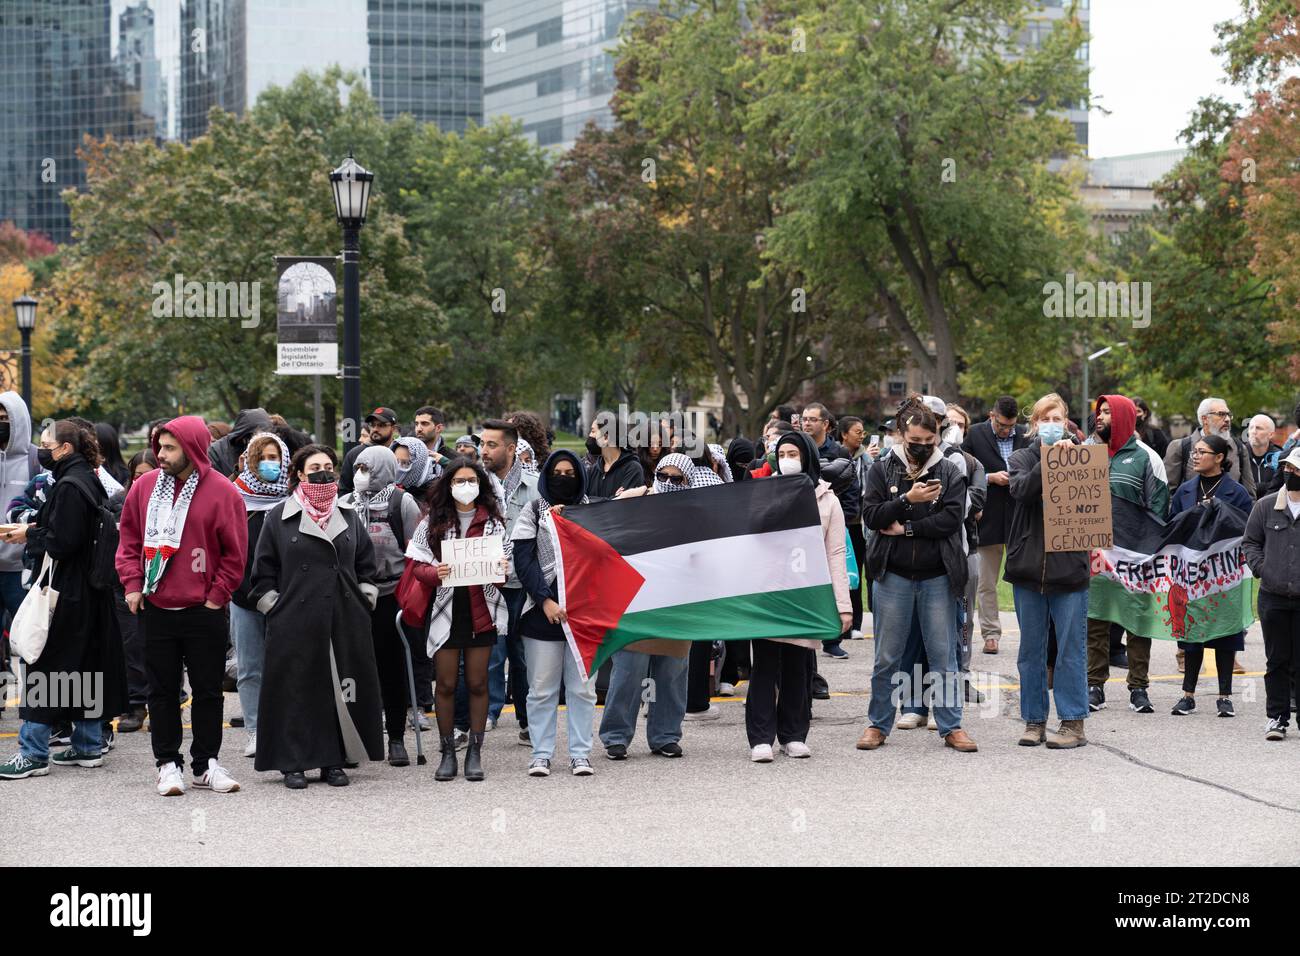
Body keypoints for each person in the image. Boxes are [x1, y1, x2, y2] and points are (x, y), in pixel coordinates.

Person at [115, 416, 247, 796]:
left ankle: (206, 765)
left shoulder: (223, 492)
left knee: (207, 691)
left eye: (170, 448)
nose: (161, 454)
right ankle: (167, 764)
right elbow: (128, 542)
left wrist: (215, 597)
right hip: (155, 607)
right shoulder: (143, 488)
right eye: (159, 446)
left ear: (191, 449)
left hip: (203, 611)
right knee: (162, 691)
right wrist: (133, 586)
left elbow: (234, 554)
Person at [249, 444, 384, 789]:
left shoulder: (349, 516)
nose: (322, 473)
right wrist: (275, 607)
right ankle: (291, 762)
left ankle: (332, 760)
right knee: (294, 690)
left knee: (337, 689)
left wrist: (363, 599)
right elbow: (263, 572)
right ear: (298, 474)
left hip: (342, 617)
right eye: (314, 467)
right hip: (293, 619)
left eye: (328, 466)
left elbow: (367, 567)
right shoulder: (278, 517)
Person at [0, 421, 128, 780]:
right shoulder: (87, 477)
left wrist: (29, 533)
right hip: (88, 591)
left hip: (65, 591)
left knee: (45, 665)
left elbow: (62, 540)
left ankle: (33, 752)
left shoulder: (70, 485)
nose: (41, 450)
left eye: (47, 444)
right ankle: (87, 746)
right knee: (84, 663)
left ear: (65, 448)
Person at [857, 398, 976, 753]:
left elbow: (950, 521)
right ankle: (878, 724)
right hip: (892, 576)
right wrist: (907, 498)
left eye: (930, 440)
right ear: (902, 435)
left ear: (938, 436)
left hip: (937, 575)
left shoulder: (951, 471)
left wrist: (907, 529)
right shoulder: (882, 468)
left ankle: (952, 726)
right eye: (916, 441)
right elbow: (873, 516)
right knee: (887, 656)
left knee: (944, 656)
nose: (923, 447)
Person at [746, 432, 852, 761]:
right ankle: (760, 738)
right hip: (768, 591)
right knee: (764, 665)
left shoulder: (827, 499)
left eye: (794, 452)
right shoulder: (762, 491)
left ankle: (793, 734)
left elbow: (835, 553)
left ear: (806, 455)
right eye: (782, 453)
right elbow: (751, 534)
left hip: (807, 594)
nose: (787, 458)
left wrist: (843, 606)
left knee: (797, 666)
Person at [405, 458, 510, 782]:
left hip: (481, 609)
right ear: (448, 485)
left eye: (471, 480)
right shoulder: (432, 521)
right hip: (445, 609)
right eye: (458, 480)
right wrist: (434, 573)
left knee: (478, 683)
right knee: (447, 683)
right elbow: (415, 565)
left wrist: (503, 570)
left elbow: (505, 569)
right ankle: (448, 750)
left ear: (480, 485)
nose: (465, 486)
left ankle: (475, 752)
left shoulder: (493, 521)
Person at [599, 453, 709, 757]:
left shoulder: (697, 512)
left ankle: (665, 735)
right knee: (628, 671)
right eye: (663, 477)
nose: (669, 484)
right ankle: (616, 736)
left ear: (688, 481)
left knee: (671, 674)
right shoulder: (635, 501)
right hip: (637, 603)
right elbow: (605, 528)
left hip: (677, 604)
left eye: (677, 479)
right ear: (655, 476)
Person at [1003, 394, 1091, 748]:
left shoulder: (1082, 457)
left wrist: (1070, 457)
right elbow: (1021, 491)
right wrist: (1049, 458)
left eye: (1058, 418)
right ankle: (1034, 720)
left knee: (1071, 648)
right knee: (1031, 650)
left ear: (1067, 422)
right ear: (1035, 424)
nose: (1052, 424)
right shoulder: (1021, 457)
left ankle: (1073, 722)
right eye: (1045, 419)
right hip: (1028, 568)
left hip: (1069, 567)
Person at [510, 449, 598, 776]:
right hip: (541, 614)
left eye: (570, 473)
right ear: (547, 476)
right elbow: (524, 559)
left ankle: (580, 754)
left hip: (586, 616)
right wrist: (545, 599)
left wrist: (570, 522)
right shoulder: (534, 511)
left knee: (582, 690)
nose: (563, 479)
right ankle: (541, 754)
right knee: (542, 688)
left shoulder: (594, 512)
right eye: (557, 473)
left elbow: (604, 559)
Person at [1086, 395, 1169, 715]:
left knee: (1137, 623)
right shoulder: (1086, 455)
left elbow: (1159, 509)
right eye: (1098, 412)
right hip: (1095, 557)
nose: (1100, 417)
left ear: (1122, 417)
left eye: (1107, 413)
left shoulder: (1148, 458)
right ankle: (1095, 685)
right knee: (1095, 622)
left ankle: (1139, 687)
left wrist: (1146, 552)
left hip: (1136, 559)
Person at [343, 444, 424, 766]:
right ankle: (358, 737)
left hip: (390, 594)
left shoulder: (401, 503)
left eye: (368, 469)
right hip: (353, 596)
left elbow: (417, 549)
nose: (361, 476)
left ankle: (396, 737)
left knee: (391, 669)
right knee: (356, 669)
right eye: (358, 469)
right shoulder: (344, 503)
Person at [1167, 433, 1254, 717]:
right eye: (1194, 451)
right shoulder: (1184, 491)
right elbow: (1173, 527)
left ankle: (1224, 696)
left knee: (1225, 635)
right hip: (1191, 575)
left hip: (1222, 576)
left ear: (1219, 457)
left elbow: (1245, 529)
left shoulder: (1237, 493)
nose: (1195, 455)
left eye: (1202, 451)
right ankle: (1187, 694)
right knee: (1192, 634)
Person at [227, 432, 292, 760]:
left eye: (274, 457)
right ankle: (255, 730)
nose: (269, 464)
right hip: (244, 598)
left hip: (286, 598)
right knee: (251, 668)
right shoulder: (234, 498)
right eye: (261, 458)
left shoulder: (293, 501)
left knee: (288, 666)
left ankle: (285, 727)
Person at [478, 420, 538, 740]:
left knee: (523, 656)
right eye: (482, 444)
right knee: (489, 652)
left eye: (491, 445)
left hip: (523, 585)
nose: (483, 451)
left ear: (511, 448)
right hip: (484, 583)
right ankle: (488, 711)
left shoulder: (536, 485)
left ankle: (528, 720)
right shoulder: (472, 485)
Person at [1242, 447, 1300, 740]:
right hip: (1273, 596)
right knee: (1276, 660)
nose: (1292, 474)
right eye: (1289, 469)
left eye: (1298, 470)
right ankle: (1277, 718)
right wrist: (1263, 568)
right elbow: (1250, 542)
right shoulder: (1265, 506)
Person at [962, 395, 1027, 655]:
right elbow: (962, 469)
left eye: (1011, 426)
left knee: (1023, 579)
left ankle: (1029, 632)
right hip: (987, 517)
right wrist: (989, 478)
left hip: (1020, 519)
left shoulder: (1025, 435)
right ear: (992, 416)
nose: (1007, 430)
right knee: (986, 581)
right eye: (1001, 425)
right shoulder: (975, 434)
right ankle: (990, 634)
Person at [109, 450, 158, 733]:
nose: (141, 480)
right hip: (126, 583)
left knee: (162, 645)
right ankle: (136, 704)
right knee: (131, 644)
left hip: (160, 581)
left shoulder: (170, 501)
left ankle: (166, 701)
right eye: (137, 475)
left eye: (147, 474)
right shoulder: (119, 501)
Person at [1163, 397, 1256, 498]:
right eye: (1221, 414)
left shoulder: (1239, 448)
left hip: (1230, 512)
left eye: (1228, 415)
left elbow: (1249, 494)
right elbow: (1167, 493)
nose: (1227, 419)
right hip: (1192, 512)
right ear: (1204, 419)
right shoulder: (1180, 447)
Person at [0, 391, 39, 629]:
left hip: (21, 570)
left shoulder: (35, 459)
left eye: (5, 419)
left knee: (29, 640)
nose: (1, 424)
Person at [340, 407, 399, 494]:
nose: (375, 429)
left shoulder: (400, 451)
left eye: (381, 425)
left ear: (393, 428)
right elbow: (344, 490)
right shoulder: (355, 453)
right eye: (372, 424)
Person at [585, 412, 646, 498]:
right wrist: (616, 498)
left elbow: (623, 506)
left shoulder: (632, 469)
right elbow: (583, 503)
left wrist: (592, 501)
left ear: (606, 438)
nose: (590, 436)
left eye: (593, 431)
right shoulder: (592, 471)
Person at [206, 408, 272, 478]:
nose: (262, 442)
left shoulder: (272, 449)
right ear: (243, 436)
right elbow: (214, 485)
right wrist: (237, 473)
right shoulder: (216, 452)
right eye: (257, 435)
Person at [1245, 414, 1282, 498]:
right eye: (1251, 428)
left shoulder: (1279, 456)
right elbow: (1238, 486)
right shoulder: (1239, 455)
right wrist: (1267, 485)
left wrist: (1254, 487)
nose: (1254, 431)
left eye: (1259, 428)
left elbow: (1279, 487)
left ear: (1271, 435)